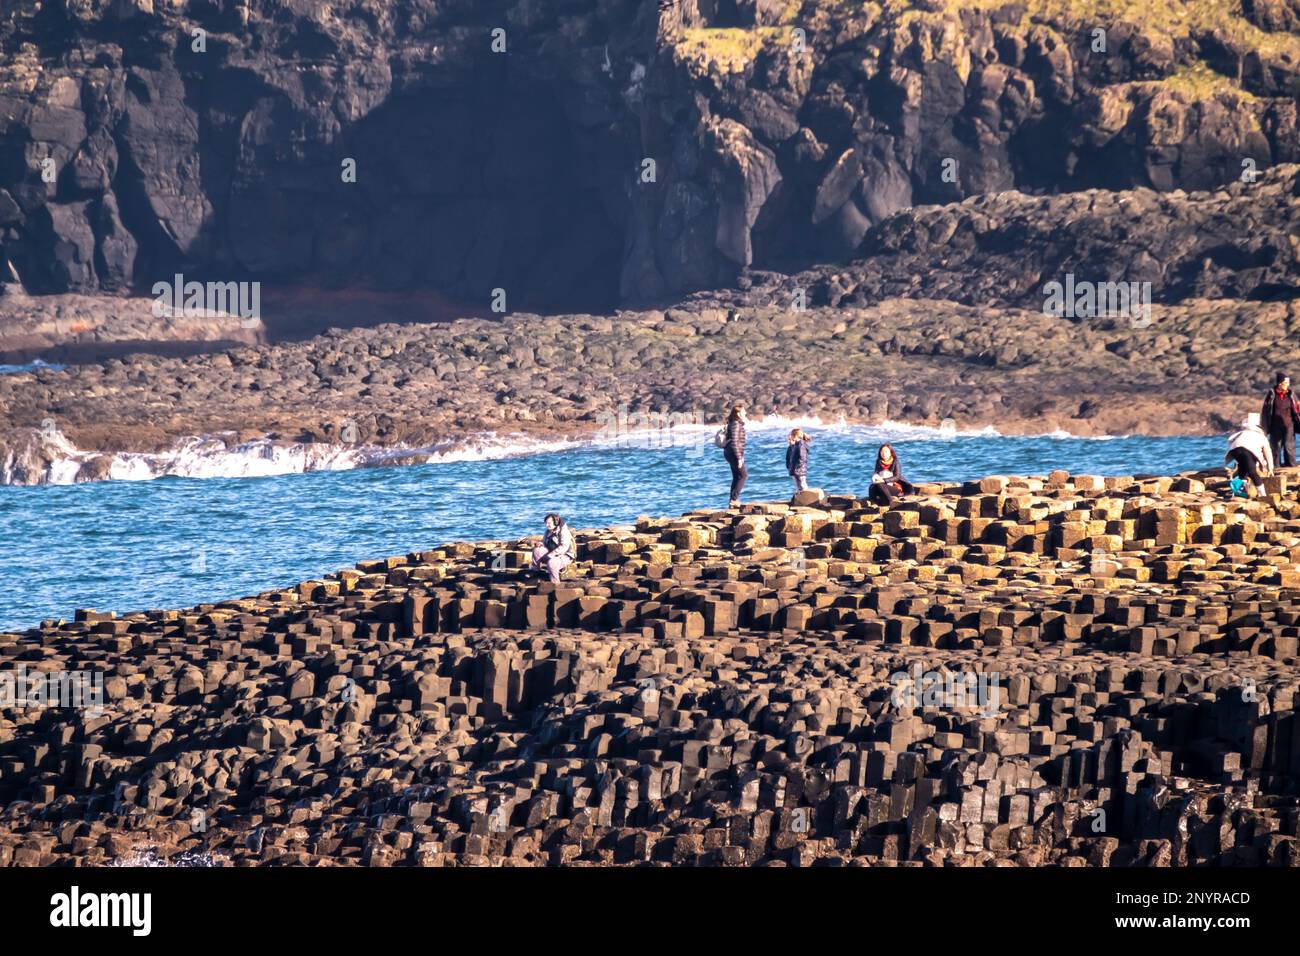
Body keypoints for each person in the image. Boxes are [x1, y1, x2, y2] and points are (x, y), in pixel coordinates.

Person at [1225, 413, 1274, 498]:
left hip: (1235, 450)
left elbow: (1230, 440)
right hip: (1247, 451)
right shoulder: (1262, 437)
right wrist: (1270, 469)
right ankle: (1263, 495)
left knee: (1243, 470)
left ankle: (1240, 491)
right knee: (1252, 472)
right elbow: (1268, 454)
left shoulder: (1243, 433)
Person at [1261, 372, 1300, 468]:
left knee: (1289, 447)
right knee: (1275, 448)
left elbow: (1297, 409)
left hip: (1289, 425)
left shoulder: (1291, 394)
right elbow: (1265, 412)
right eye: (1286, 383)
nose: (1288, 385)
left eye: (1288, 383)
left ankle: (1291, 467)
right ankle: (1275, 467)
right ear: (1280, 384)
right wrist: (1264, 428)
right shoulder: (1271, 395)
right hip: (1275, 426)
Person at [531, 513, 575, 583]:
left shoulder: (564, 531)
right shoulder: (548, 530)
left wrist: (551, 554)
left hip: (565, 555)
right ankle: (536, 571)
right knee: (537, 550)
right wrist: (541, 544)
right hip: (551, 553)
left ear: (556, 522)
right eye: (546, 523)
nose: (546, 525)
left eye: (549, 523)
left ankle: (555, 583)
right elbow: (544, 542)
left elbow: (564, 547)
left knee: (552, 563)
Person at [868, 442, 914, 507]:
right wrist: (874, 478)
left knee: (880, 485)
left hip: (895, 487)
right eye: (882, 451)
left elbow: (897, 477)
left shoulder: (895, 462)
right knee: (872, 487)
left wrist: (884, 480)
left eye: (886, 451)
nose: (883, 453)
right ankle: (875, 503)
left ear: (890, 453)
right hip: (882, 486)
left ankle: (891, 503)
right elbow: (876, 473)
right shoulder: (878, 462)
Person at [723, 403, 747, 507]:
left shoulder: (734, 423)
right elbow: (734, 442)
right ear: (738, 413)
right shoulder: (736, 424)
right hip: (732, 452)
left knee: (736, 476)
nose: (745, 413)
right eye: (743, 411)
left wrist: (741, 455)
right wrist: (739, 458)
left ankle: (732, 501)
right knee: (743, 475)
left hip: (730, 452)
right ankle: (734, 499)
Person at [785, 428, 811, 494]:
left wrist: (797, 467)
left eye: (791, 435)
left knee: (802, 485)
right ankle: (800, 498)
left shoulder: (801, 445)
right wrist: (790, 467)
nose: (790, 437)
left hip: (800, 469)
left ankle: (807, 498)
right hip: (795, 469)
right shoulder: (796, 445)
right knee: (798, 486)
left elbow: (802, 458)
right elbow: (790, 457)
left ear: (795, 436)